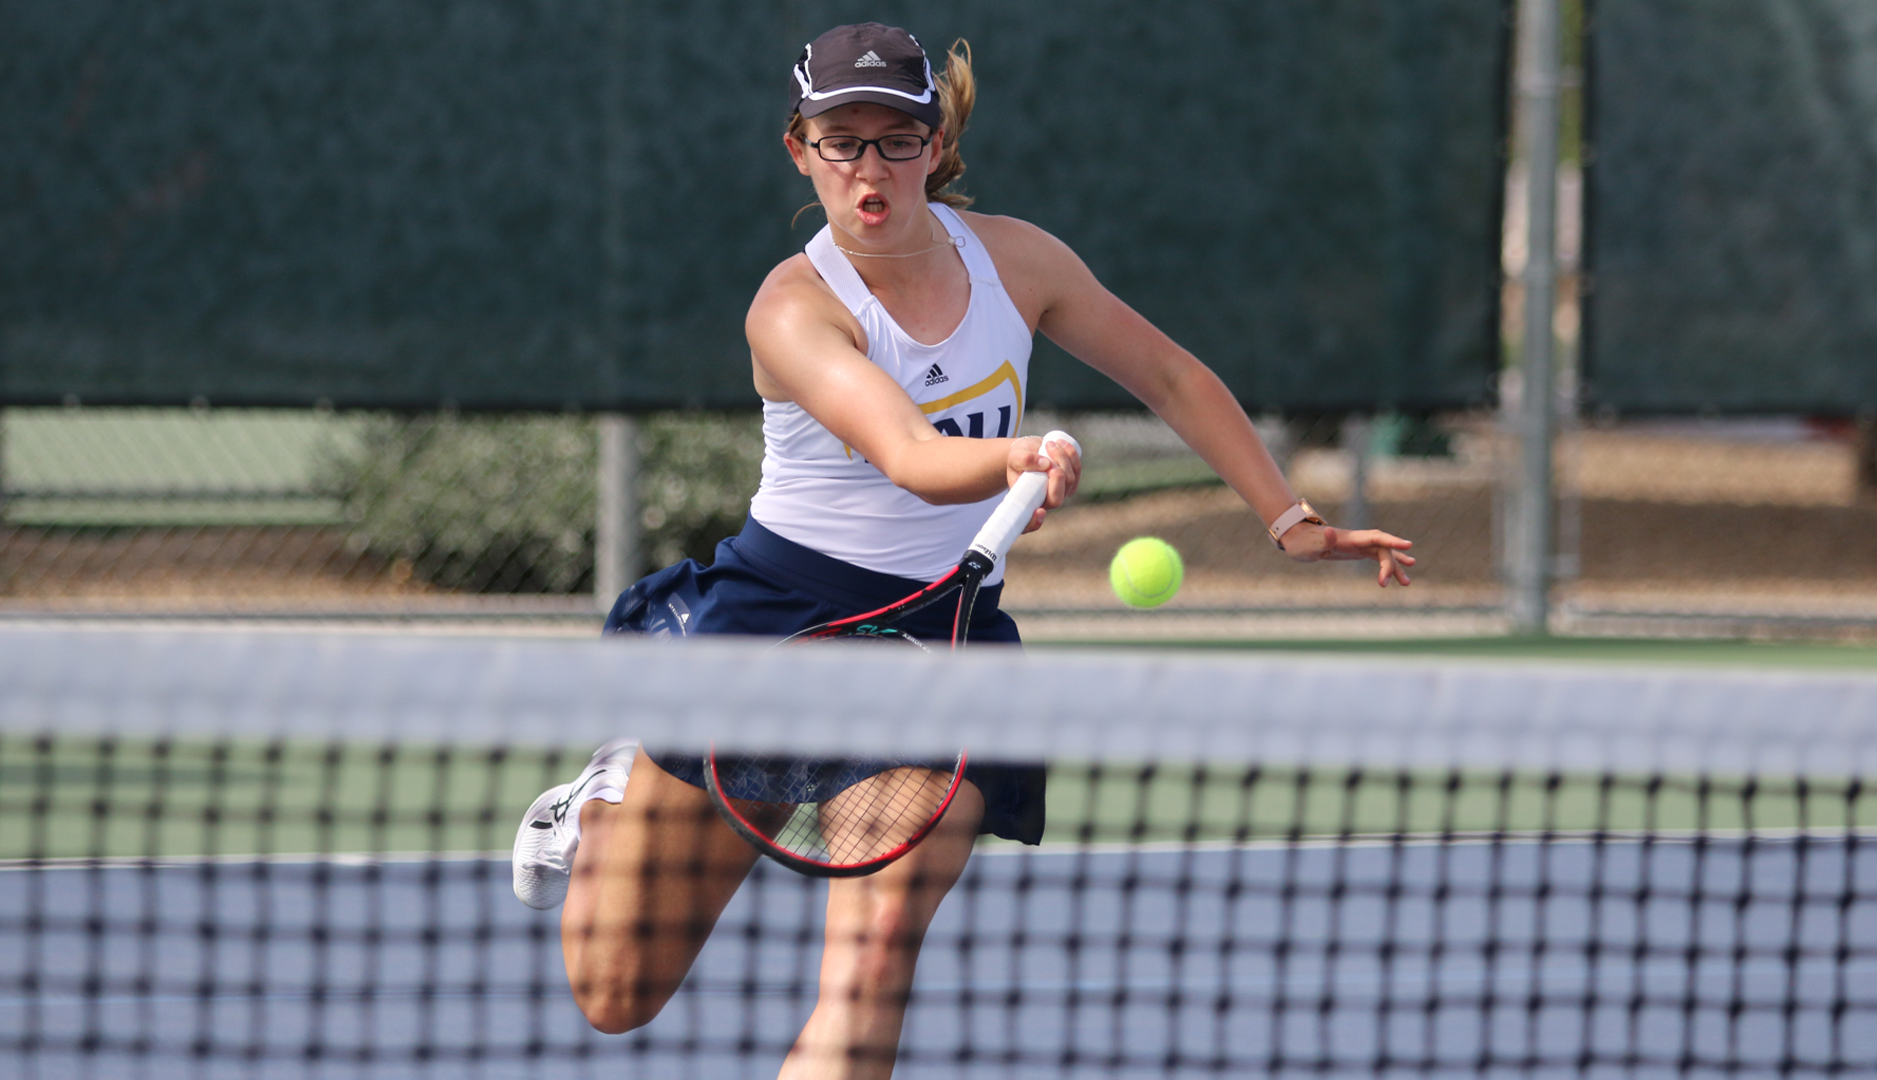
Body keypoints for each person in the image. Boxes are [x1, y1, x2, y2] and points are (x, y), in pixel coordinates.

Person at [513, 22, 1416, 1078]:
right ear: (798, 148)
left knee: (876, 952)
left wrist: (1286, 516)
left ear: (935, 145)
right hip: (773, 623)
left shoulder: (1017, 261)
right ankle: (609, 797)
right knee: (616, 995)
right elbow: (904, 450)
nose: (869, 169)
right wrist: (1009, 461)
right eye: (840, 141)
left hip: (936, 646)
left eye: (894, 140)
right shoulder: (794, 309)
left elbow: (1168, 375)